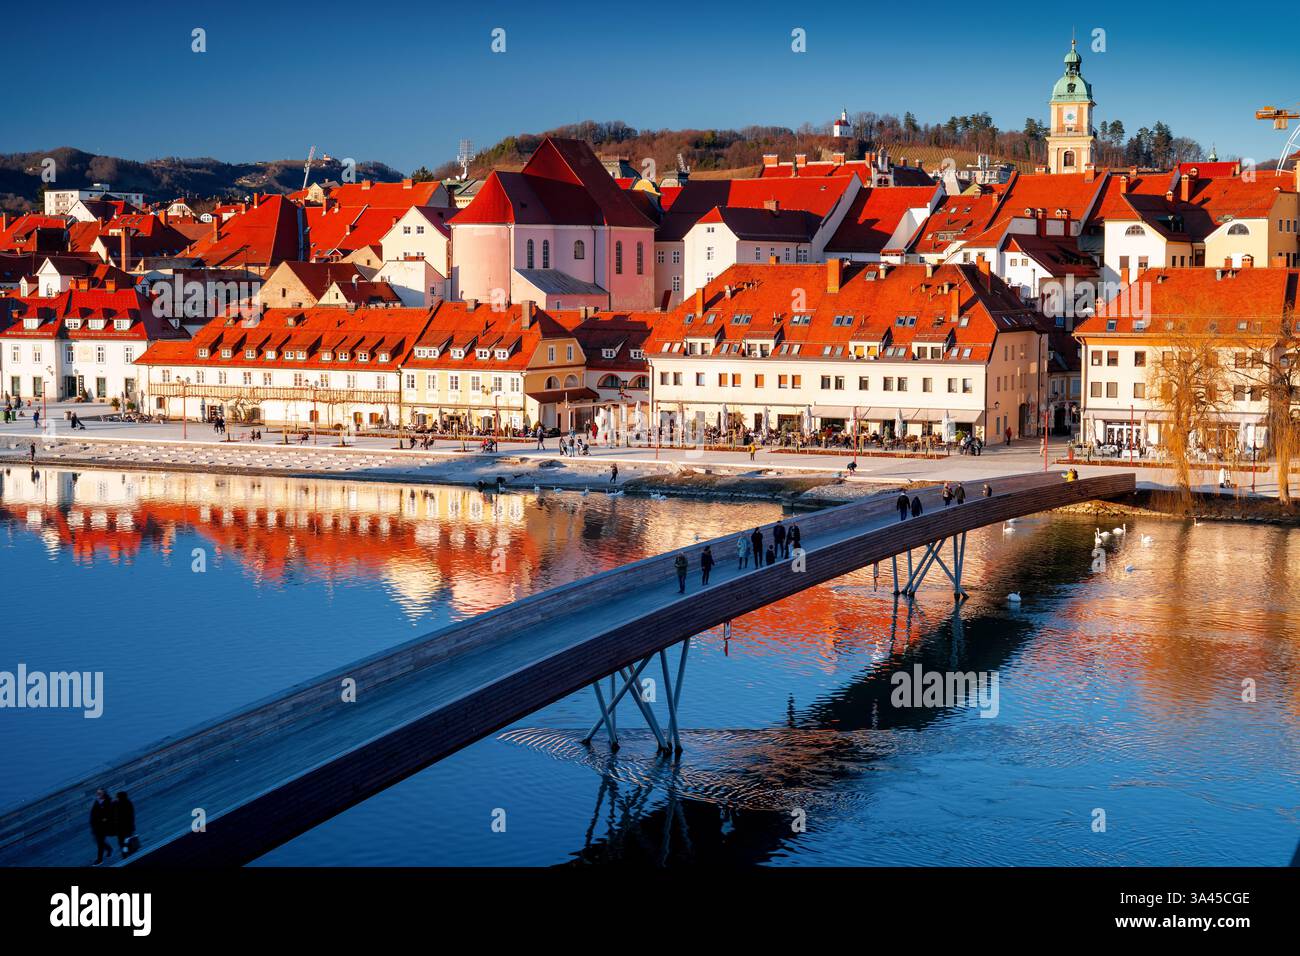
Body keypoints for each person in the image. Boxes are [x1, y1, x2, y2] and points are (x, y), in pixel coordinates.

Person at [90, 789, 115, 864]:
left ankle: (99, 860)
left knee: (100, 842)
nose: (98, 794)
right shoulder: (97, 801)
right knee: (98, 841)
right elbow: (93, 813)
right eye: (97, 793)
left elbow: (108, 814)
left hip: (103, 826)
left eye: (100, 793)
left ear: (104, 794)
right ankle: (109, 849)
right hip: (96, 825)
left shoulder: (108, 802)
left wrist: (103, 820)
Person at [115, 791, 137, 856]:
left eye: (117, 797)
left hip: (122, 827)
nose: (117, 798)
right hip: (128, 826)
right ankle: (130, 850)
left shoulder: (120, 804)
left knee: (122, 841)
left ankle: (126, 853)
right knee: (128, 839)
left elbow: (119, 816)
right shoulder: (128, 803)